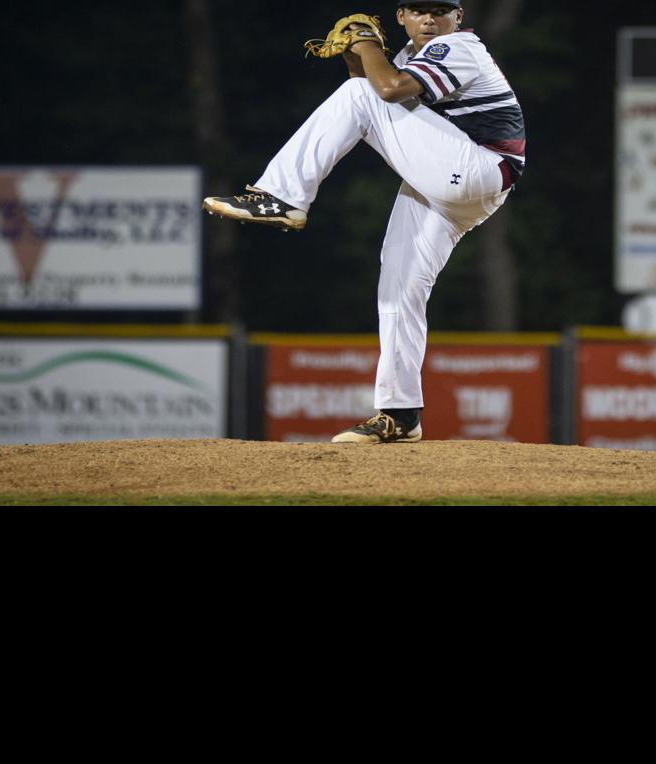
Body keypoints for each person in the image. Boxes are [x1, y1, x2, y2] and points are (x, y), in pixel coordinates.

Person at [203, 0, 525, 444]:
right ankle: (400, 413)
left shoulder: (460, 47)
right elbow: (372, 94)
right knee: (399, 284)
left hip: (479, 169)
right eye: (418, 10)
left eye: (440, 11)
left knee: (361, 96)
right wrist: (359, 54)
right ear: (401, 17)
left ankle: (280, 196)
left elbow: (385, 92)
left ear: (458, 18)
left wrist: (366, 41)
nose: (430, 20)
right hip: (453, 185)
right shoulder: (410, 59)